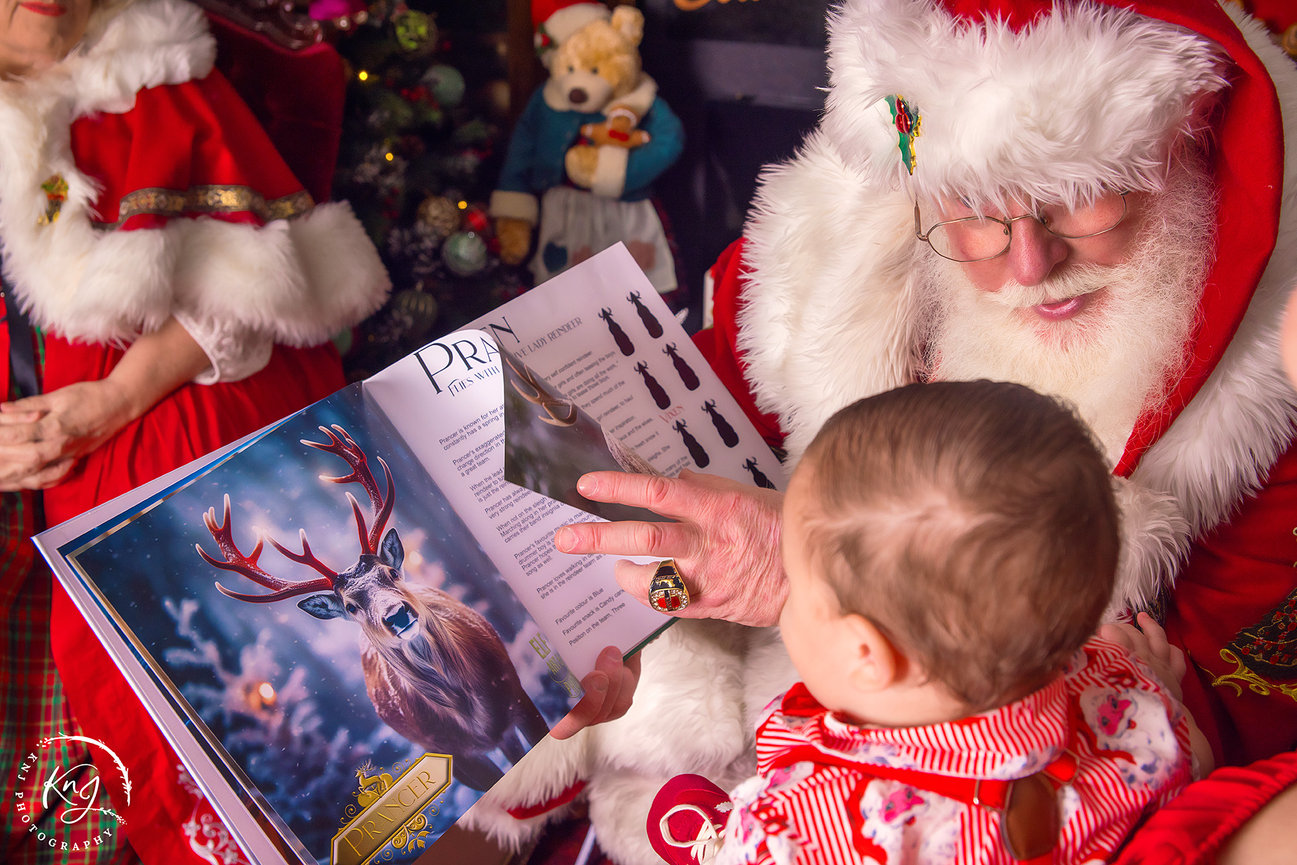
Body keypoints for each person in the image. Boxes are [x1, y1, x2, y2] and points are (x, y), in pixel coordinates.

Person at [462, 1, 1297, 863]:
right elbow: (686, 453)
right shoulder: (825, 256)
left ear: (1183, 142)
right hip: (709, 747)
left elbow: (1243, 733)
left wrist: (816, 578)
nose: (1027, 264)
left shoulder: (1275, 379)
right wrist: (615, 632)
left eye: (1079, 199)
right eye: (973, 208)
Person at [0, 0, 390, 862]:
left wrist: (114, 398)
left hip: (150, 468)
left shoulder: (155, 75)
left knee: (224, 740)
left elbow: (256, 299)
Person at [646, 380, 1207, 864]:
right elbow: (1197, 779)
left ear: (866, 655)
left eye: (794, 576)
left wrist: (740, 842)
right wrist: (1157, 688)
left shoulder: (798, 829)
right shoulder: (1127, 698)